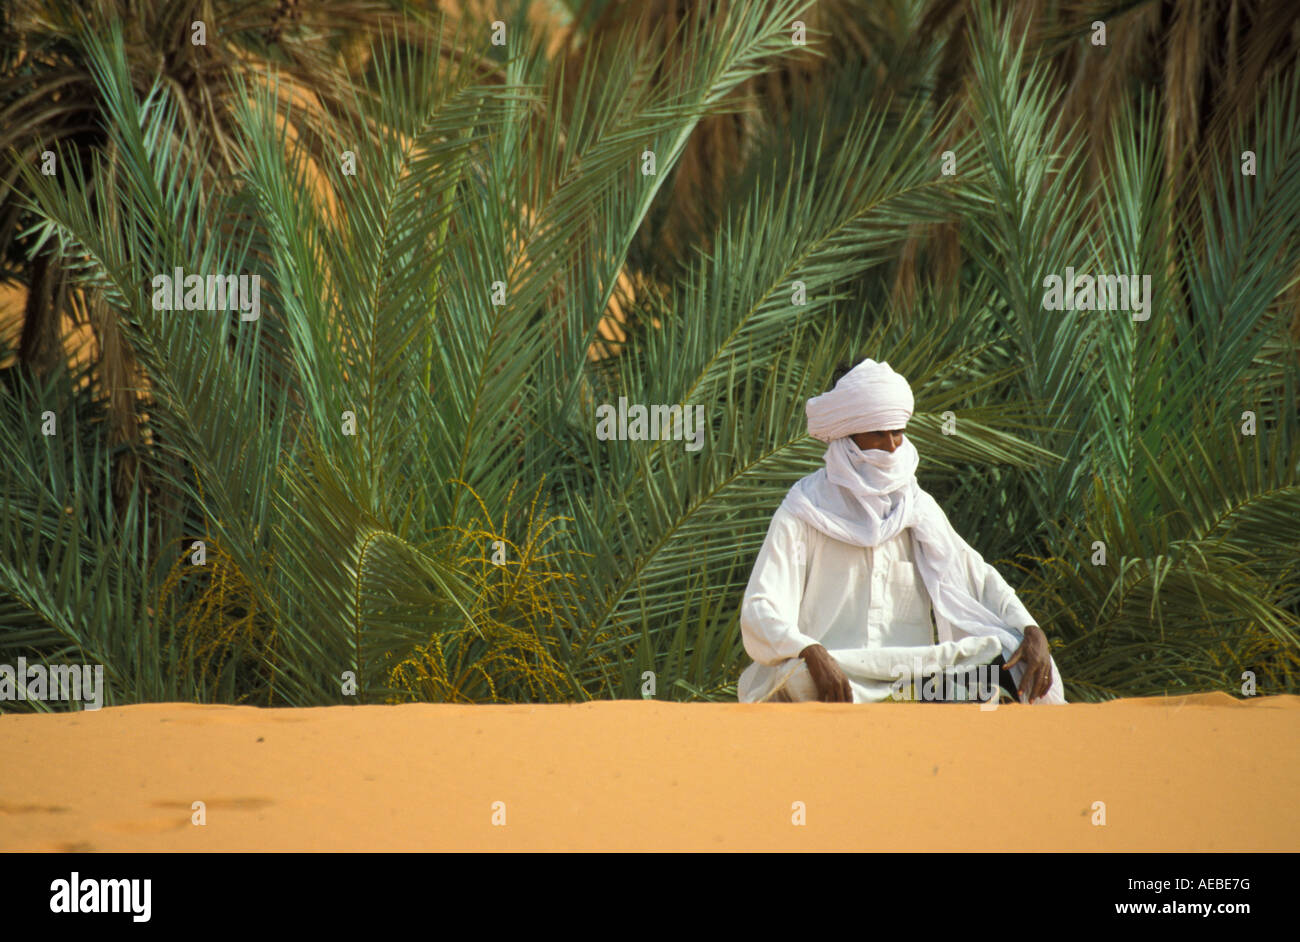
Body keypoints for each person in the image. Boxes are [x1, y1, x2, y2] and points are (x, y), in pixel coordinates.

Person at [737, 358, 1065, 705]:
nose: (892, 446)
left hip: (912, 677)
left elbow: (976, 577)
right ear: (847, 436)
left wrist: (1029, 628)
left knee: (996, 659)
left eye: (898, 432)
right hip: (837, 675)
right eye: (878, 433)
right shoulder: (804, 510)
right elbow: (761, 607)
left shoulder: (915, 507)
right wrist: (809, 650)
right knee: (800, 679)